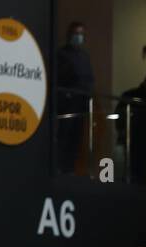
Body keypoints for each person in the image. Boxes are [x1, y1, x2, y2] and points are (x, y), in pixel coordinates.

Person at [54, 21, 93, 175]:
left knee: (76, 139)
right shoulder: (61, 54)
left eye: (81, 34)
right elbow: (59, 77)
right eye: (76, 33)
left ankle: (69, 169)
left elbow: (90, 78)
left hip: (81, 104)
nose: (79, 37)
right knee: (64, 136)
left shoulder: (85, 56)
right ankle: (59, 168)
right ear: (70, 35)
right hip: (66, 104)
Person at [117, 72, 146, 186]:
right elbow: (120, 115)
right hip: (132, 137)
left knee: (145, 169)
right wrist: (122, 131)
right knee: (131, 167)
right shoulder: (131, 95)